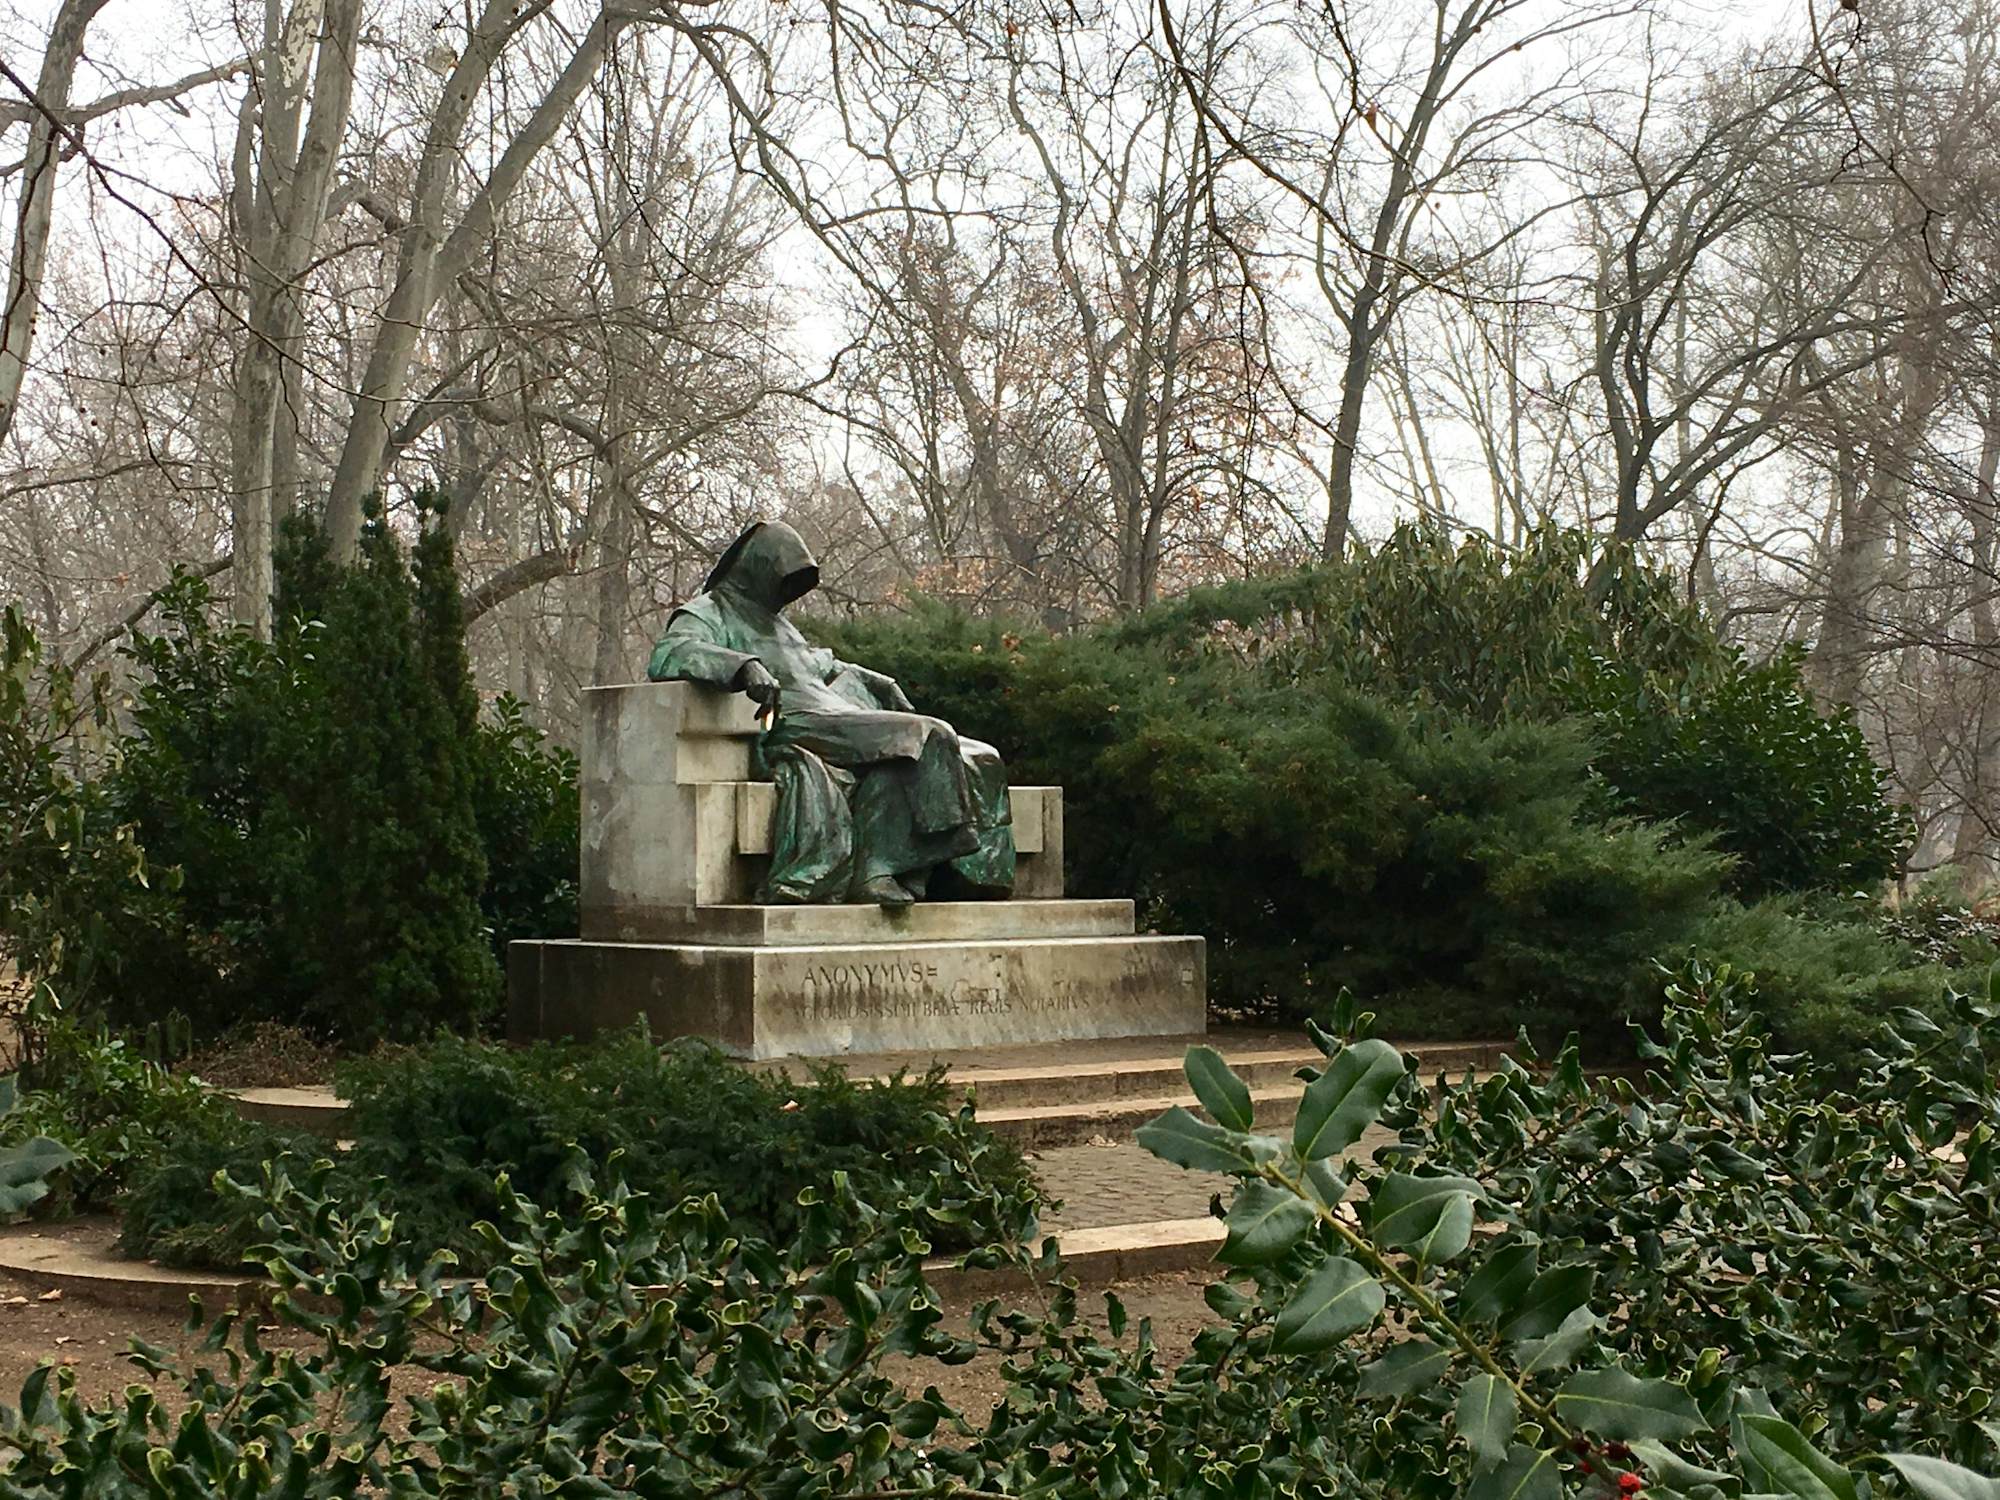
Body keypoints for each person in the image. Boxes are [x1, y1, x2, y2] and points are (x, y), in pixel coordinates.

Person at [647, 520, 1015, 907]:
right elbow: (671, 652)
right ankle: (929, 856)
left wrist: (877, 681)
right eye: (786, 578)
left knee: (982, 756)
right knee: (931, 735)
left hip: (837, 713)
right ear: (758, 567)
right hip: (796, 722)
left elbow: (818, 666)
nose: (789, 591)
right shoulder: (710, 611)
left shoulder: (781, 625)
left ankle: (950, 873)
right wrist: (742, 666)